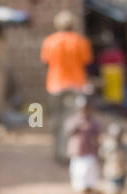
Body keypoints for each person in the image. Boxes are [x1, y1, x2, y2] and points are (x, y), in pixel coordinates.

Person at [40, 10, 94, 163]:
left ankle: (58, 152)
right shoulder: (81, 41)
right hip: (76, 85)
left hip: (55, 85)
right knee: (74, 120)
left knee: (57, 119)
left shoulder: (50, 41)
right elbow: (87, 63)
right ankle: (71, 152)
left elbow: (45, 63)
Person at [65, 95, 103, 194]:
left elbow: (98, 139)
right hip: (77, 155)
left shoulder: (94, 123)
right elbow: (68, 132)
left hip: (89, 155)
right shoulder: (74, 121)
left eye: (86, 107)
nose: (84, 110)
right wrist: (78, 125)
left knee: (85, 181)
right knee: (80, 183)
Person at [100, 121, 127, 194]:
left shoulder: (123, 145)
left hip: (122, 170)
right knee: (113, 189)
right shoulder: (108, 144)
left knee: (121, 189)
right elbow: (102, 154)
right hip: (111, 171)